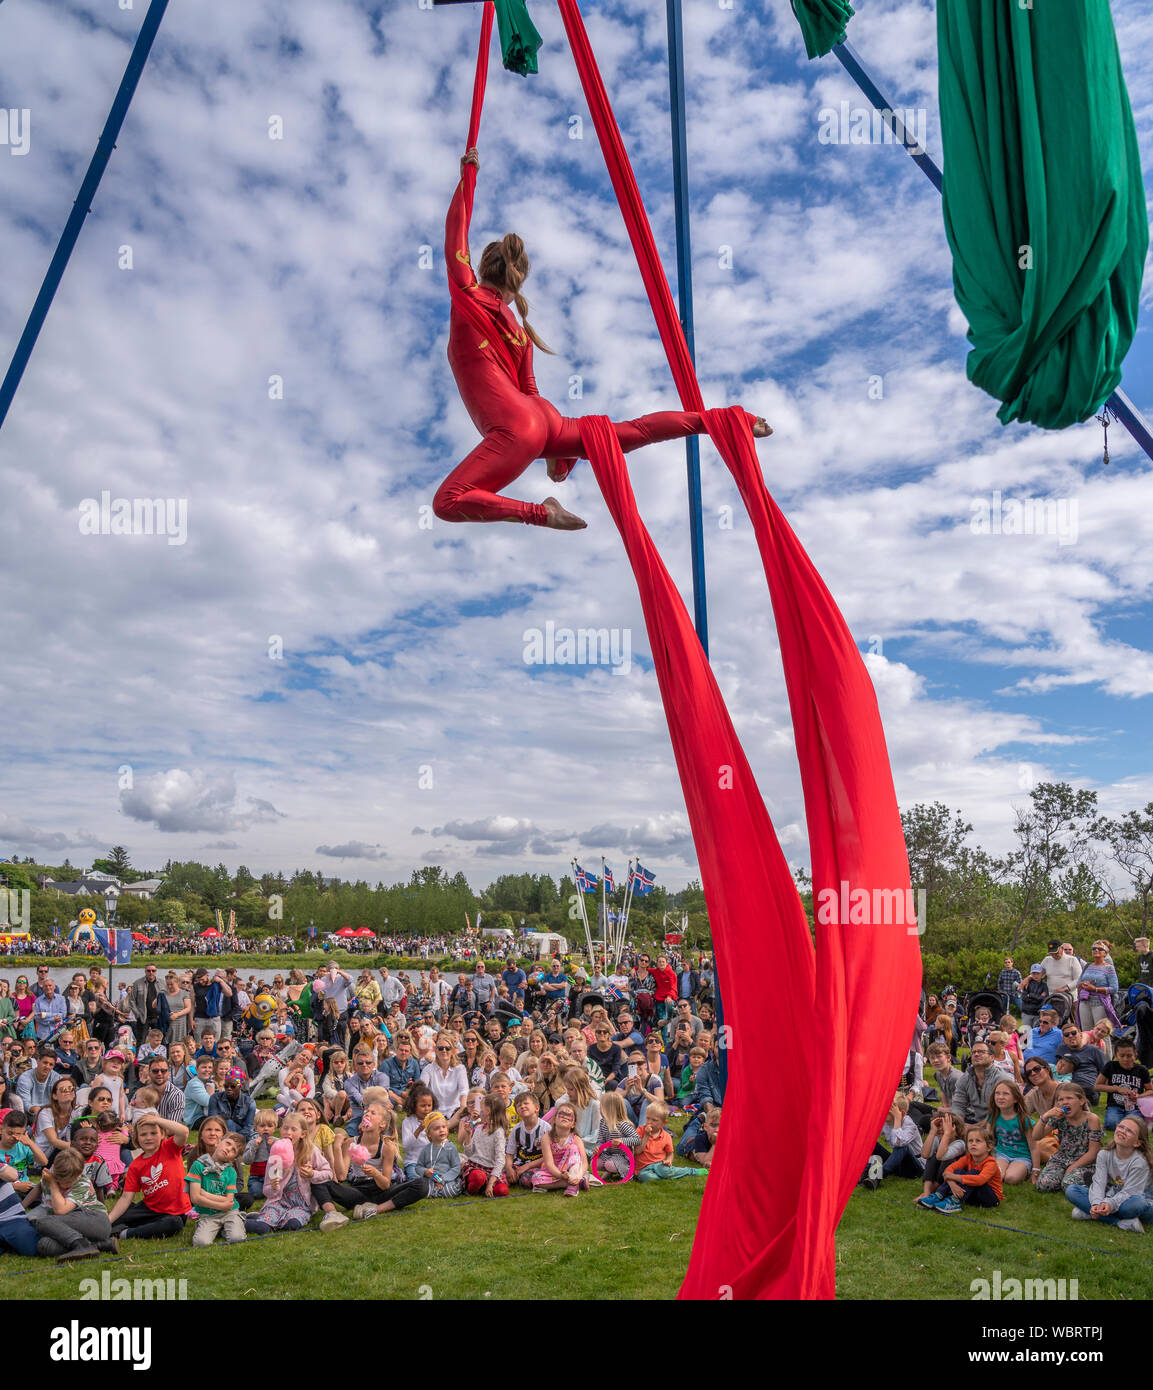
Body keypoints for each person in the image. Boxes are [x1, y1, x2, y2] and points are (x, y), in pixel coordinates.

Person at [435, 151, 772, 532]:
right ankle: (726, 420)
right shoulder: (522, 335)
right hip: (543, 417)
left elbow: (454, 237)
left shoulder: (469, 297)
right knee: (630, 432)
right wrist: (550, 444)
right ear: (517, 281)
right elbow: (529, 389)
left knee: (449, 501)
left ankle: (541, 511)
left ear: (483, 270)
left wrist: (468, 174)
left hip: (518, 427)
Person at [108, 1112, 192, 1240]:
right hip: (150, 1209)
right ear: (137, 1138)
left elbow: (184, 1131)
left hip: (175, 1213)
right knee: (120, 1215)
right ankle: (110, 1226)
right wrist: (108, 1221)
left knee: (174, 1224)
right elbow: (126, 1197)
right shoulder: (136, 1165)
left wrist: (157, 1120)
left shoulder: (169, 1148)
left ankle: (125, 1233)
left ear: (162, 1134)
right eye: (143, 1134)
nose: (148, 1138)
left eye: (153, 1133)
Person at [1065, 1116, 1153, 1233]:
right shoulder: (1104, 1154)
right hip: (1112, 1195)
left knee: (1135, 1204)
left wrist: (1109, 1204)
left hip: (1138, 1202)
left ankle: (1088, 1213)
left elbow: (1130, 1192)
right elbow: (1099, 1183)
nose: (1123, 1131)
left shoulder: (1139, 1163)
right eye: (1121, 1127)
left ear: (1137, 1143)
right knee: (1072, 1190)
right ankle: (1120, 1222)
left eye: (1129, 1131)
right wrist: (1096, 1203)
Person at [1033, 1082, 1102, 1194]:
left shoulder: (1092, 1119)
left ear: (1081, 1101)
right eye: (1060, 1100)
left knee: (1069, 1185)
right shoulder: (1059, 1118)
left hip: (1085, 1162)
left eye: (1069, 1098)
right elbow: (1036, 1136)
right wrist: (1045, 1117)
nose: (1064, 1102)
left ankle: (1091, 1181)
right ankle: (1063, 1180)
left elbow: (1093, 1152)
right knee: (1044, 1184)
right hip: (1061, 1159)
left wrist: (1072, 1168)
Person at [186, 1128, 247, 1247]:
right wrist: (222, 1204)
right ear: (219, 1142)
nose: (228, 1149)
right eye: (228, 1143)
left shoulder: (231, 1172)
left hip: (230, 1213)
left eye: (233, 1150)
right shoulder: (198, 1165)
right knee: (201, 1243)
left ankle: (235, 1221)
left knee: (237, 1239)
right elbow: (195, 1198)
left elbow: (229, 1201)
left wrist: (204, 1194)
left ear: (233, 1158)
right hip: (207, 1214)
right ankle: (214, 1228)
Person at [919, 1127, 1002, 1212]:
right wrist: (952, 1184)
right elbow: (948, 1170)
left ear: (989, 1147)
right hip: (972, 1194)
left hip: (990, 1199)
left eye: (978, 1141)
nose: (973, 1144)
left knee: (973, 1173)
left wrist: (955, 1177)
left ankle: (954, 1202)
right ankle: (939, 1195)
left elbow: (980, 1180)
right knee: (958, 1171)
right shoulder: (967, 1158)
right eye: (970, 1141)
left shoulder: (991, 1163)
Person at [633, 1100, 707, 1182]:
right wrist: (646, 1135)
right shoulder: (640, 1131)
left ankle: (692, 1171)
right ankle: (662, 1177)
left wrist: (668, 1160)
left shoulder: (666, 1136)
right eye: (647, 1118)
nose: (649, 1122)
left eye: (654, 1120)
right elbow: (637, 1151)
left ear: (664, 1123)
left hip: (659, 1165)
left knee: (667, 1171)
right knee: (648, 1178)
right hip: (642, 1168)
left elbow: (670, 1153)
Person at [1096, 1040, 1153, 1132]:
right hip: (1115, 1105)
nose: (1125, 1059)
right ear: (1116, 1055)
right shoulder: (1110, 1066)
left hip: (1135, 1106)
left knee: (1134, 1126)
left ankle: (1133, 1123)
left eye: (1129, 1056)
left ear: (1135, 1055)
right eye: (1122, 1056)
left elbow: (1150, 1090)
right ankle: (1125, 1124)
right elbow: (1097, 1086)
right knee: (1111, 1124)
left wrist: (1139, 1096)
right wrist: (1117, 1089)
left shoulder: (1142, 1070)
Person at [914, 1112, 968, 1208]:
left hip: (950, 1179)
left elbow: (942, 1157)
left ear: (955, 1129)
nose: (941, 1129)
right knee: (932, 1157)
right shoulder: (937, 1138)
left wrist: (947, 1134)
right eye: (938, 1126)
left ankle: (934, 1192)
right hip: (938, 1175)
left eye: (945, 1127)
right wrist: (932, 1132)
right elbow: (925, 1154)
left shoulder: (960, 1144)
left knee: (946, 1158)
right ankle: (926, 1193)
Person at [949, 1042, 1009, 1125]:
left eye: (981, 1052)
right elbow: (959, 1104)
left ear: (992, 1057)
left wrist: (975, 1128)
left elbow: (1004, 1111)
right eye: (973, 1052)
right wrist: (958, 1124)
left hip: (999, 1124)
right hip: (975, 1121)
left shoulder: (1001, 1079)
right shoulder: (965, 1078)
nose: (976, 1054)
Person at [988, 1080, 1034, 1186]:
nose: (1000, 1097)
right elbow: (988, 1140)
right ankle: (1005, 1169)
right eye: (997, 1093)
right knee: (997, 1176)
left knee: (1011, 1178)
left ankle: (1021, 1170)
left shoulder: (1024, 1120)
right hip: (1002, 1154)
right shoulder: (993, 1117)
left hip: (1022, 1156)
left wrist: (1035, 1171)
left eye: (1006, 1094)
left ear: (1016, 1099)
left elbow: (1034, 1147)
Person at [1054, 1023, 1107, 1105]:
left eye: (1074, 1033)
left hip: (1087, 1086)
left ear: (1081, 1035)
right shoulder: (1062, 1049)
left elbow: (1105, 1072)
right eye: (1066, 1035)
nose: (1071, 1036)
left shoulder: (1094, 1051)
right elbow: (1058, 1069)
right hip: (1066, 1083)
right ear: (1063, 1039)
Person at [1076, 942, 1119, 1030]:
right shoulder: (1087, 966)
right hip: (1084, 1002)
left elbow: (1114, 988)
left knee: (1101, 1031)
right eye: (1094, 948)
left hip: (1100, 1003)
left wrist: (1095, 989)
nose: (1096, 950)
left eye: (1100, 949)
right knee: (1086, 1031)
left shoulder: (1109, 968)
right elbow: (1078, 984)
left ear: (1105, 953)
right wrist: (1083, 985)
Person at [207, 1074, 256, 1139]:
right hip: (220, 1132)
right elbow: (212, 1121)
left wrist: (234, 1138)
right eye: (226, 1086)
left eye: (233, 1086)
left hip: (242, 1134)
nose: (229, 1088)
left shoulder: (249, 1102)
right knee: (229, 1123)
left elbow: (248, 1128)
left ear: (240, 1086)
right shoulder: (215, 1098)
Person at [31, 978, 67, 1043]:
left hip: (58, 1033)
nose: (48, 987)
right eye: (45, 986)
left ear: (54, 987)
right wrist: (53, 1019)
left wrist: (45, 1015)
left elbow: (63, 1014)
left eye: (50, 985)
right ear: (43, 988)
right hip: (43, 1035)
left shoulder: (61, 999)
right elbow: (37, 1017)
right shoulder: (38, 1000)